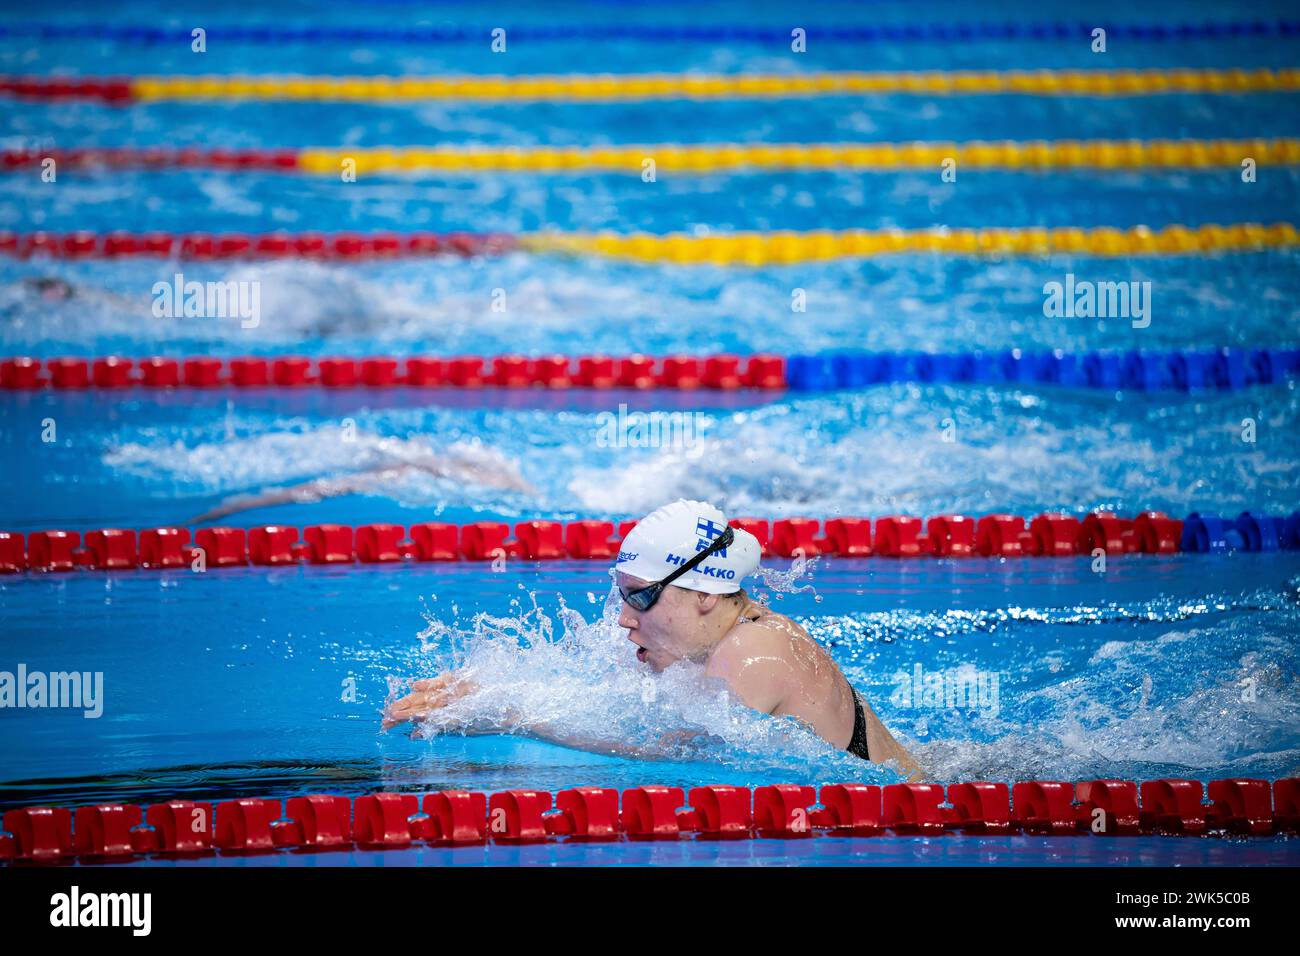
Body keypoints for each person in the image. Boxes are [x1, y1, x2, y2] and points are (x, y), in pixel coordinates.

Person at [384, 499, 923, 779]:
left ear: (705, 593)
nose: (623, 619)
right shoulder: (713, 638)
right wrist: (492, 685)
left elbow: (676, 749)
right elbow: (610, 702)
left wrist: (512, 715)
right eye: (622, 596)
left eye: (640, 597)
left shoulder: (755, 651)